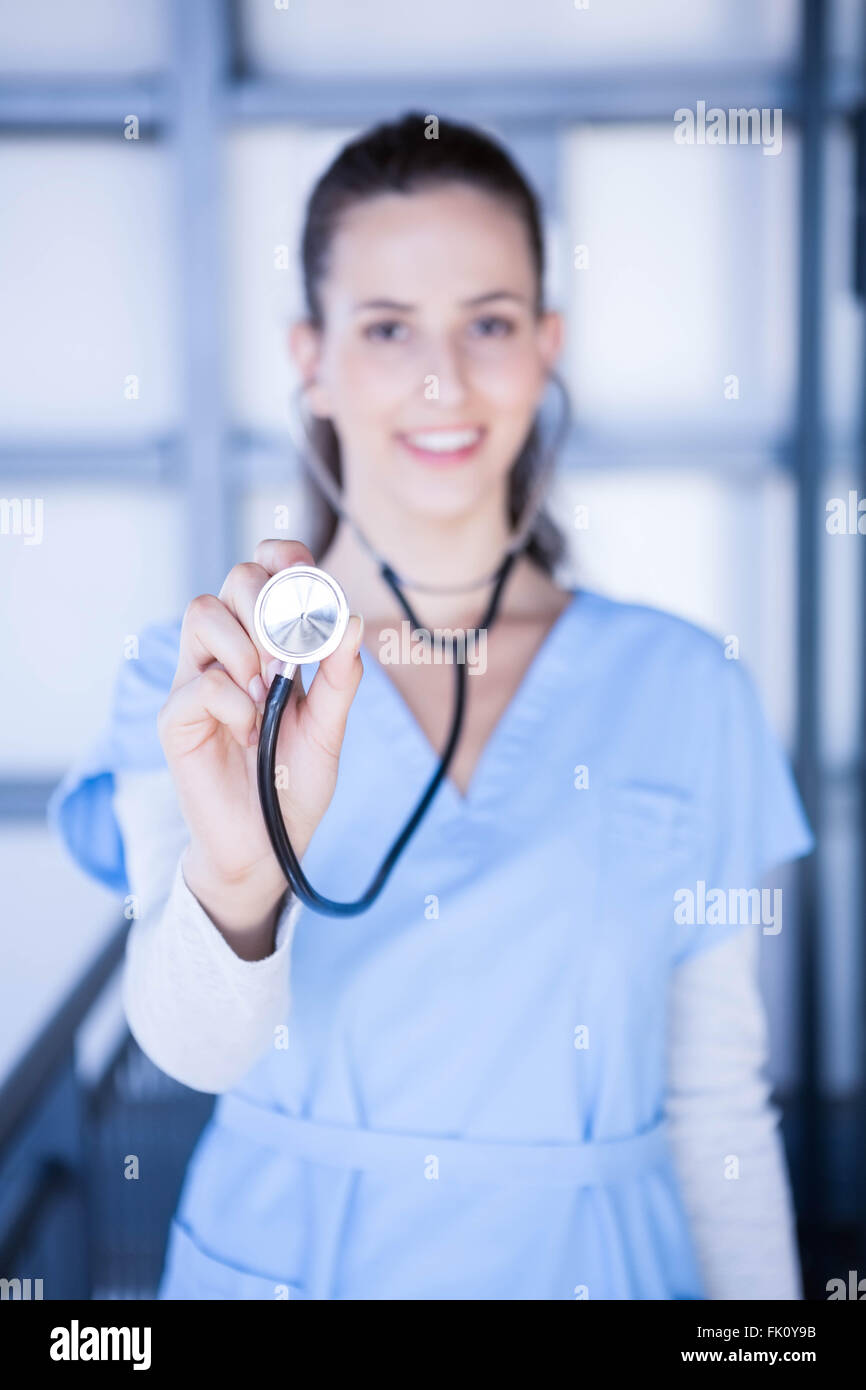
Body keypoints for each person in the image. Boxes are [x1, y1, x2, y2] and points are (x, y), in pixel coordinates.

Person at [50, 111, 814, 1301]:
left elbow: (716, 1098)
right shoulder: (200, 674)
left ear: (547, 342)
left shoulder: (685, 687)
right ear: (308, 354)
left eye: (489, 322)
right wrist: (244, 878)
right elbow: (195, 1050)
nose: (440, 379)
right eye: (387, 325)